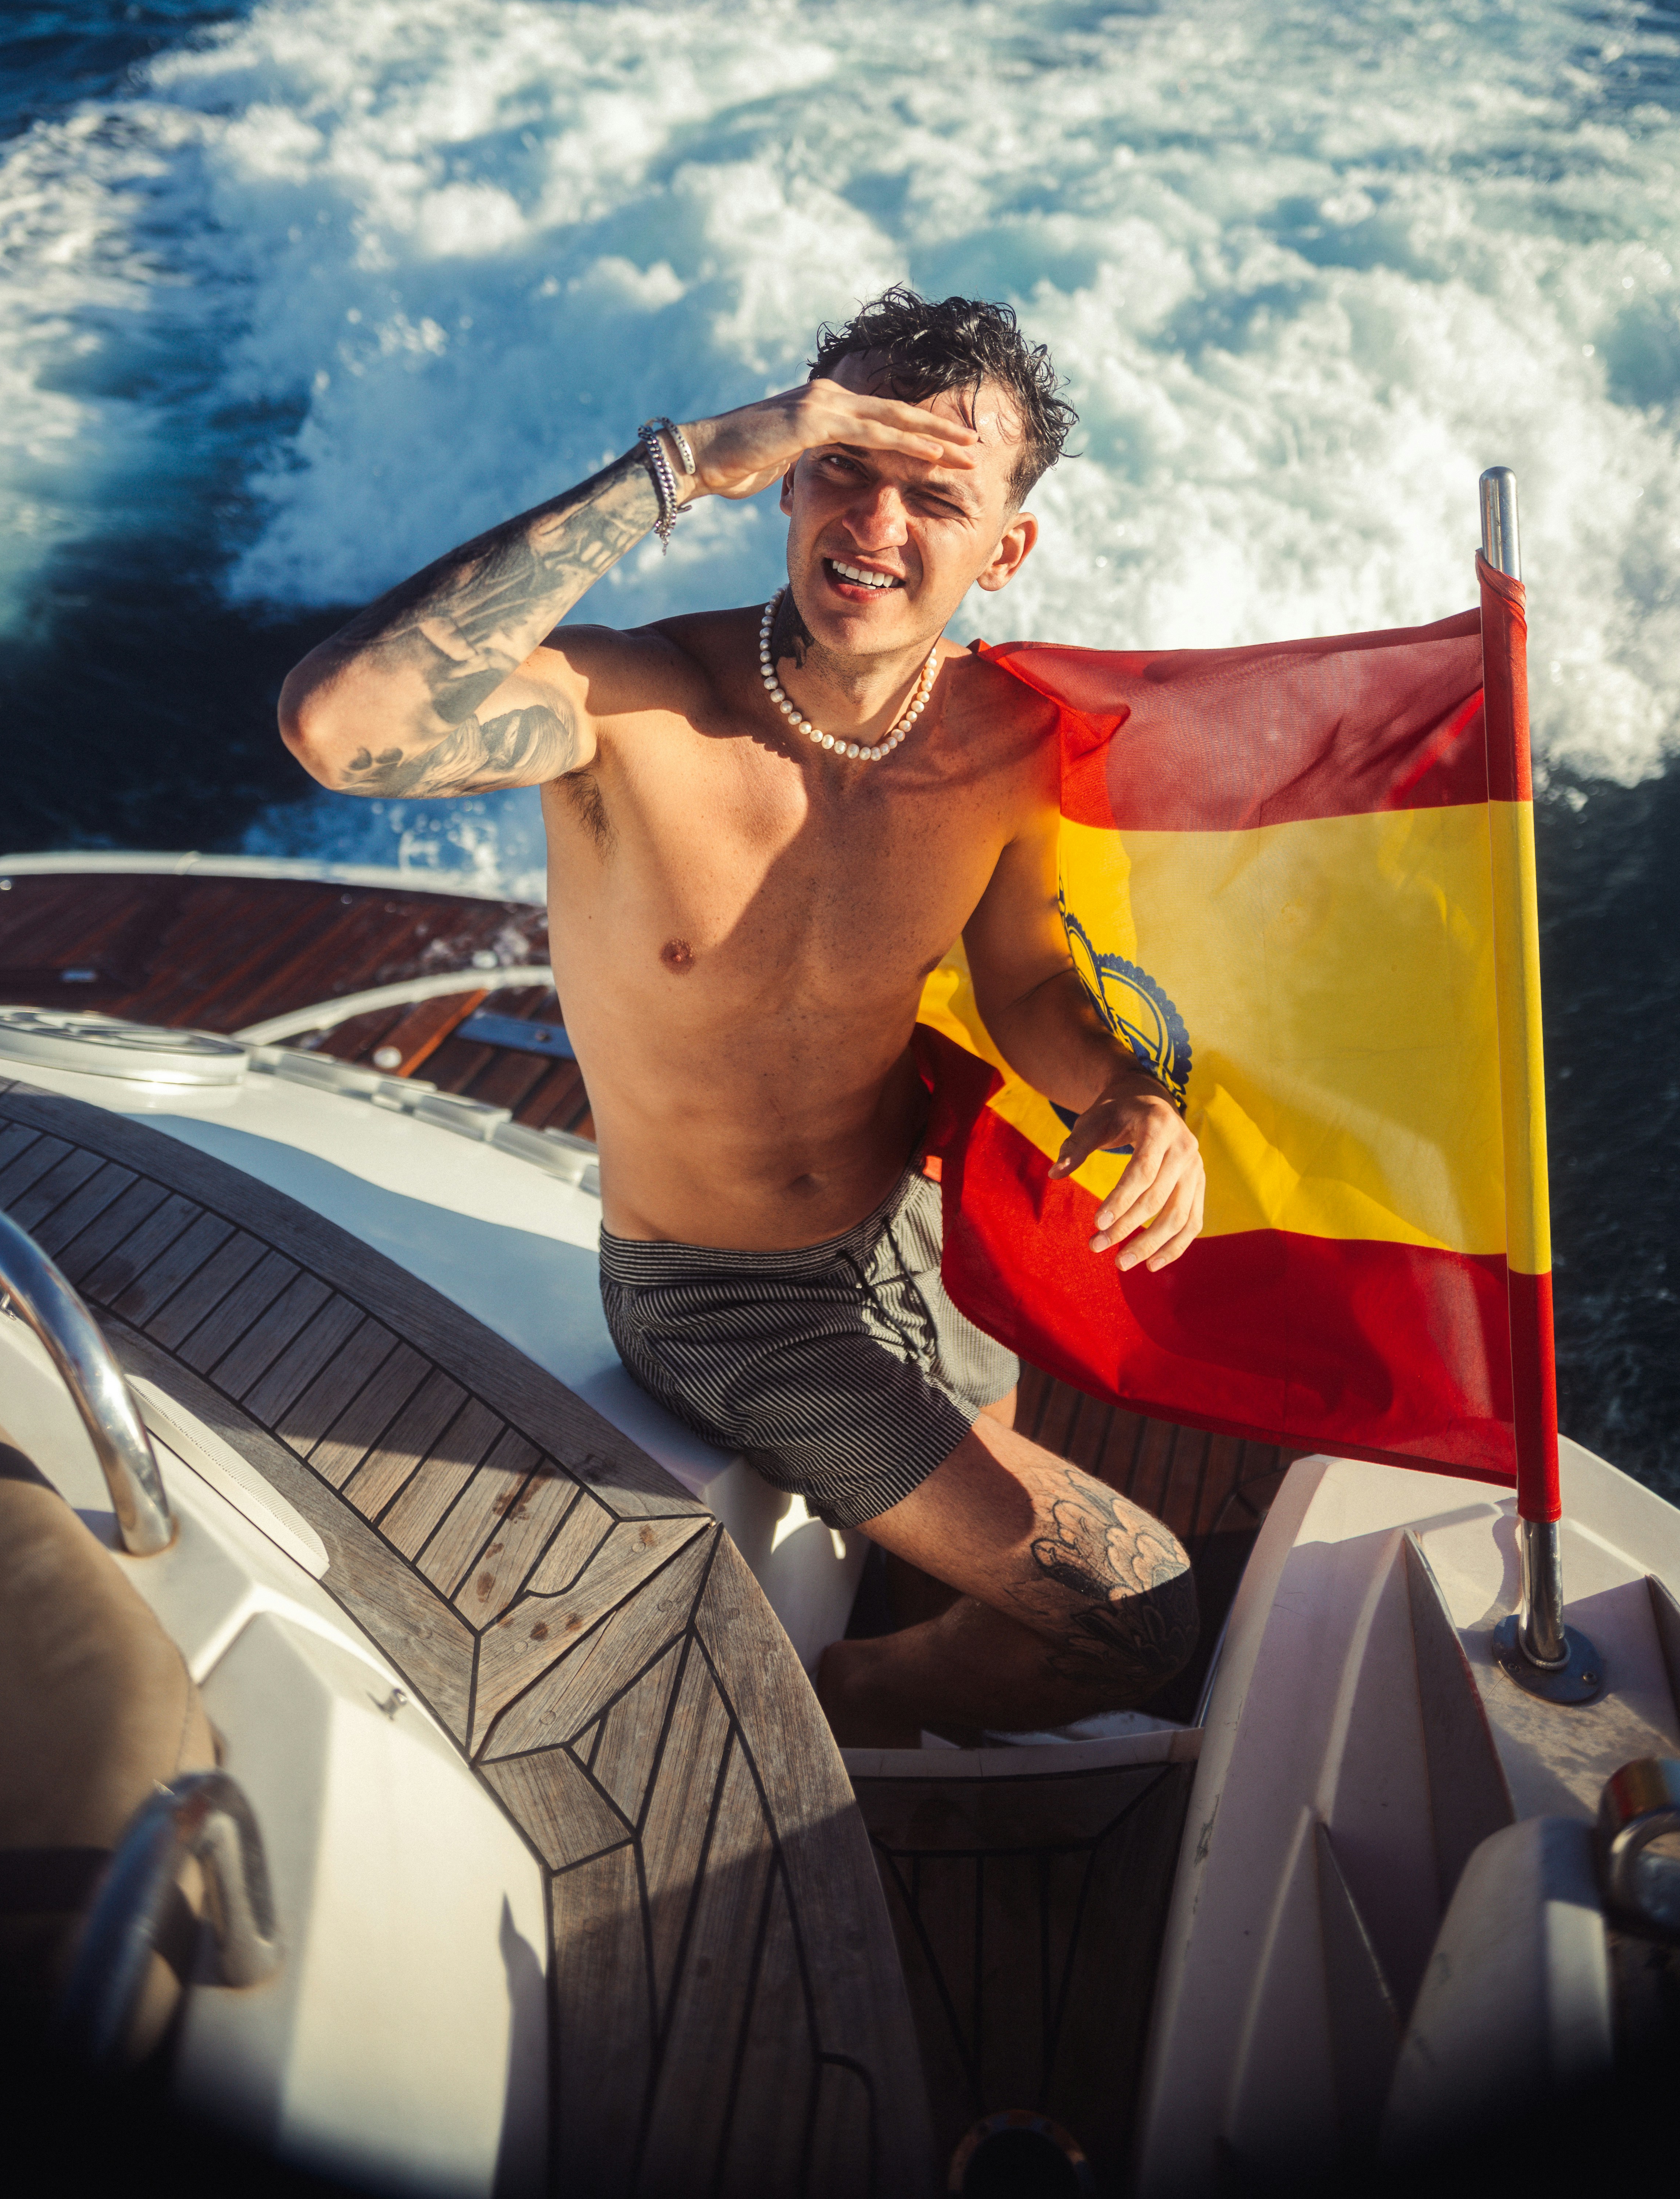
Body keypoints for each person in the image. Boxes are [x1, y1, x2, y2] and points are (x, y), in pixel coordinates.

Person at [279, 289, 1205, 1746]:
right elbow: (340, 727)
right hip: (720, 1296)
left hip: (918, 1238)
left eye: (934, 496)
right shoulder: (636, 706)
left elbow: (1025, 983)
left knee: (972, 1556)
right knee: (1132, 1609)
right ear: (780, 473)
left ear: (1004, 549)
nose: (874, 523)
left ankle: (870, 1683)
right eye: (842, 461)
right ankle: (840, 1730)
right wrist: (668, 469)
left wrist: (1130, 1094)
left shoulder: (1005, 742)